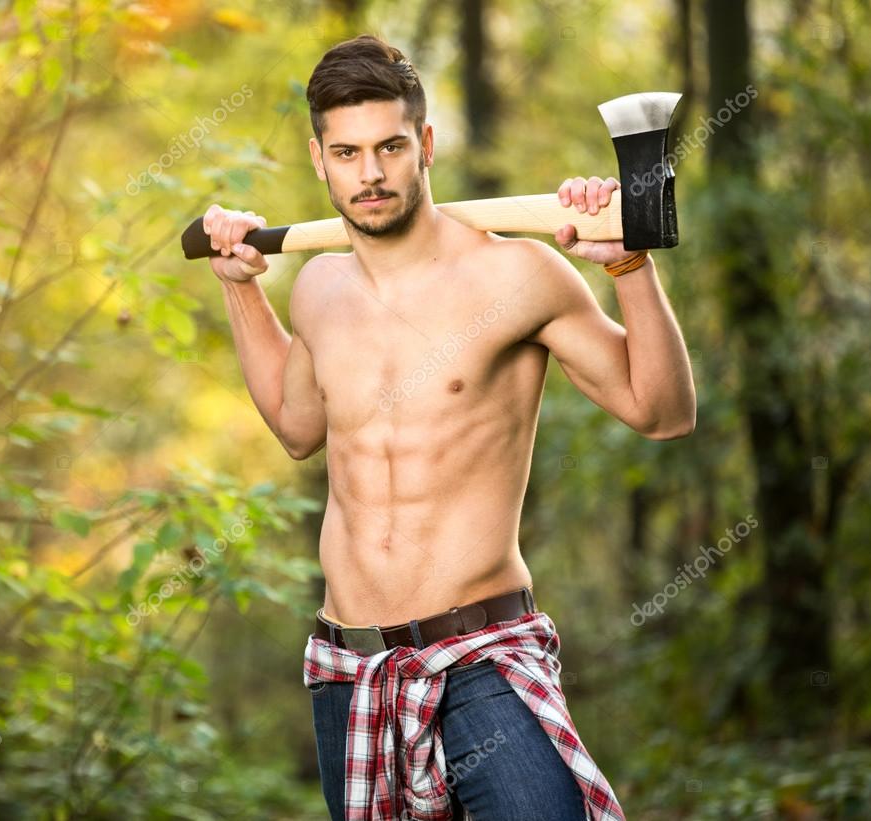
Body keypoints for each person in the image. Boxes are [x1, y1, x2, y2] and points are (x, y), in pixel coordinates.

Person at [201, 33, 695, 821]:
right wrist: (240, 290)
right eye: (348, 152)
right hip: (349, 664)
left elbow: (662, 411)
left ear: (424, 144)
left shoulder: (518, 274)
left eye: (390, 147)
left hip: (479, 655)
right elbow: (297, 427)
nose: (370, 173)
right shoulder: (318, 290)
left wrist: (628, 264)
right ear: (317, 159)